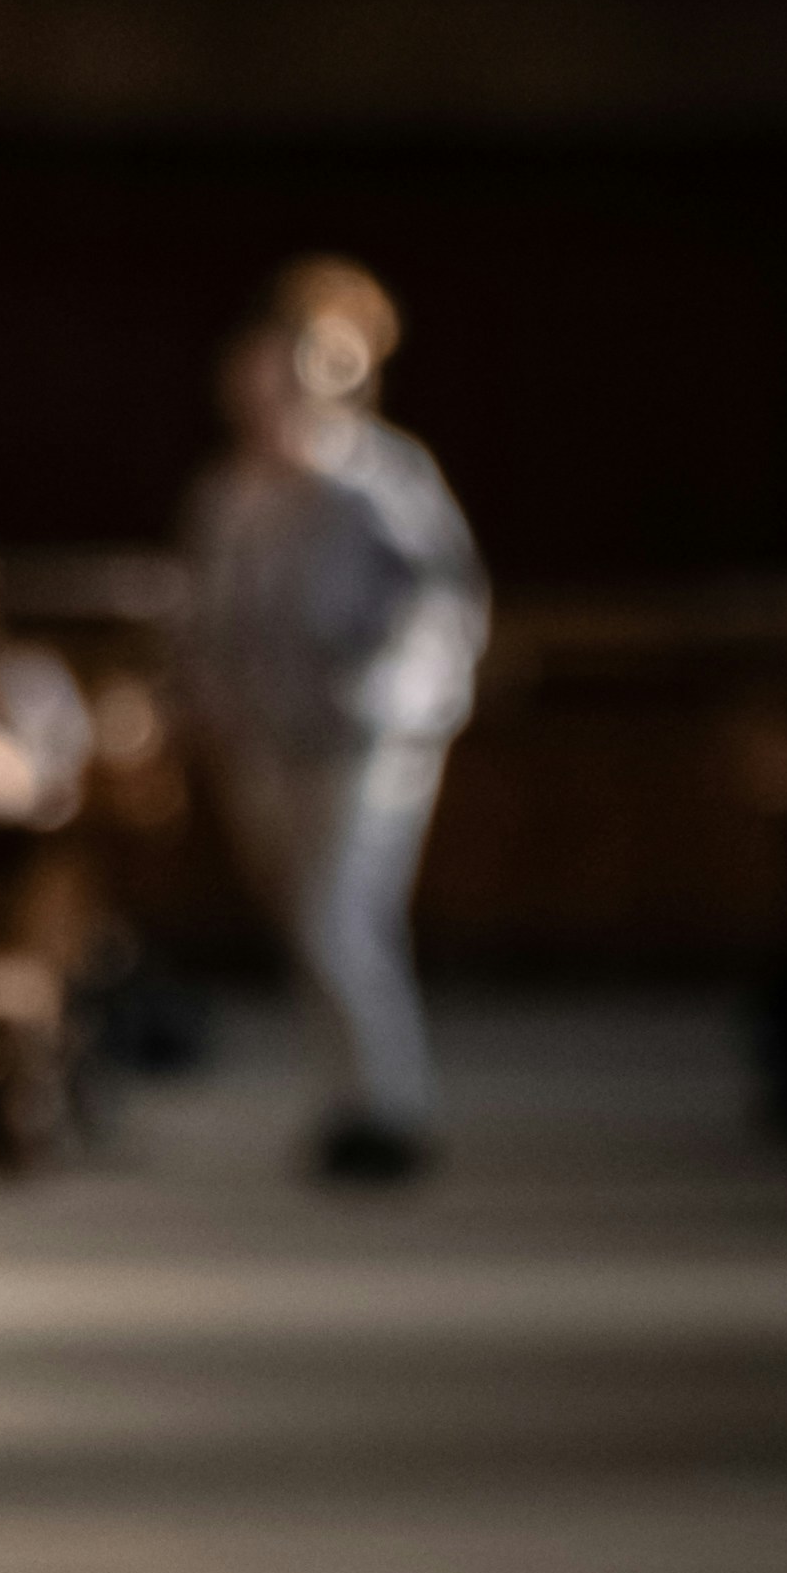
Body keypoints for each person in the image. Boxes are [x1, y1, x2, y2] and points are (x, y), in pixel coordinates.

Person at [171, 256, 488, 1184]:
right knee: (310, 923)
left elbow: (443, 605)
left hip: (367, 743)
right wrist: (206, 707)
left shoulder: (379, 482)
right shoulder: (232, 498)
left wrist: (392, 696)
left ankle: (395, 1107)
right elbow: (207, 623)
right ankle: (349, 1102)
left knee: (339, 916)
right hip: (266, 745)